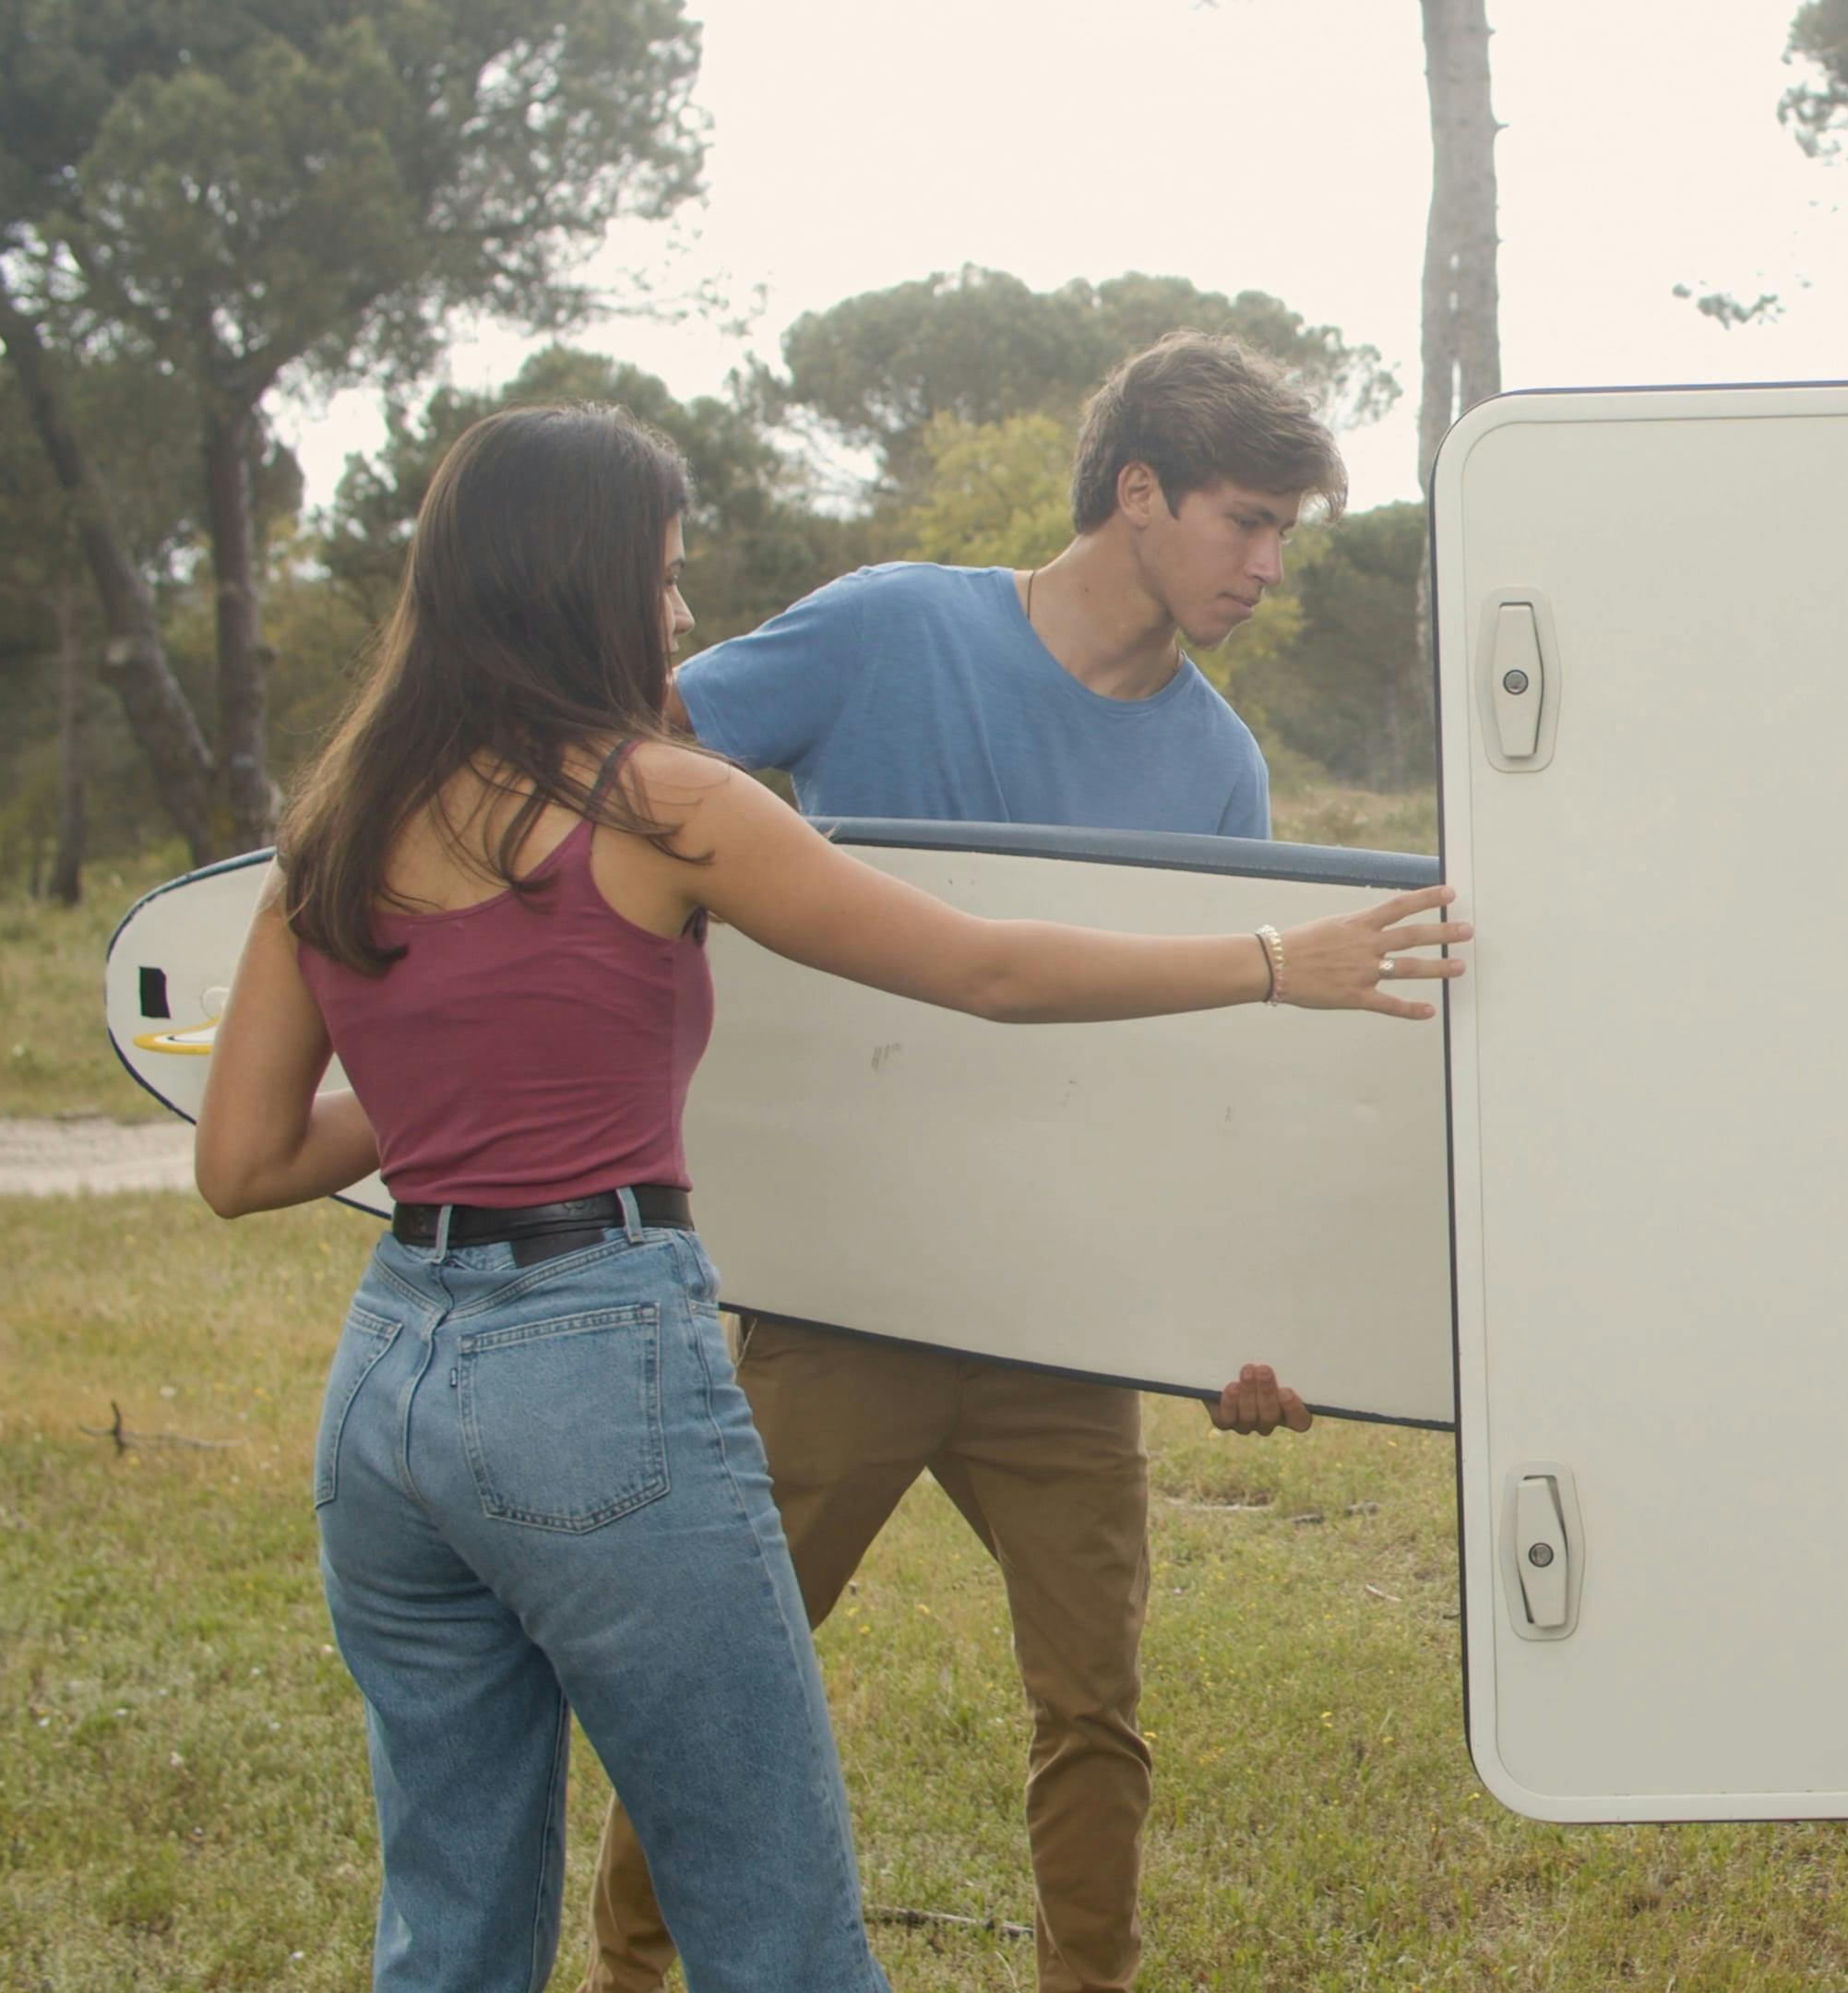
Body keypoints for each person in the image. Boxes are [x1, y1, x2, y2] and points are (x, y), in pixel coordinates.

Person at [193, 400, 1467, 1993]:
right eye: (659, 581)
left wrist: (475, 1075)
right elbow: (984, 970)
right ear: (574, 585)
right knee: (779, 1920)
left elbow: (239, 1167)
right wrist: (1282, 962)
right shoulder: (668, 805)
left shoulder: (334, 819)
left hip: (386, 1392)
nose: (677, 621)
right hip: (595, 1361)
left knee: (447, 1921)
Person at [585, 329, 1371, 1992]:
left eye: (1288, 531)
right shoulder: (889, 628)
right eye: (1244, 519)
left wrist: (1238, 1310)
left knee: (1096, 1706)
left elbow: (1214, 1070)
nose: (1268, 563)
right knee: (727, 1674)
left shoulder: (1218, 764)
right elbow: (631, 771)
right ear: (1137, 491)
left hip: (1062, 1322)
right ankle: (627, 1975)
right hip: (847, 1293)